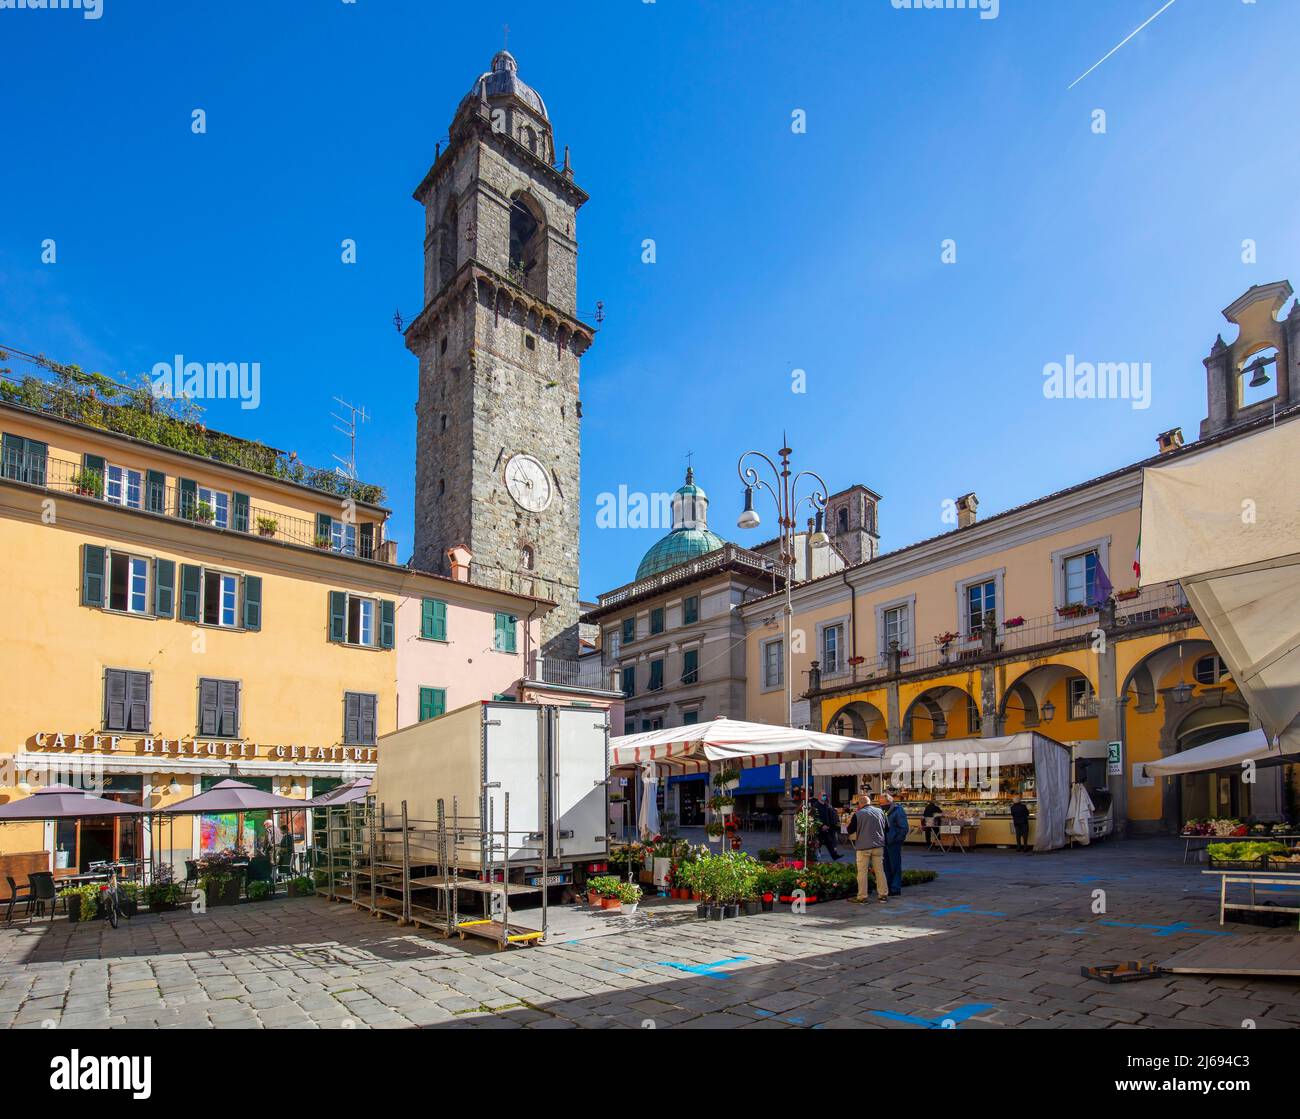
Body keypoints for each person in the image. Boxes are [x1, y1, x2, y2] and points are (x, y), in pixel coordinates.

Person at [846, 792, 889, 904]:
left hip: (863, 846)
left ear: (860, 805)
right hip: (878, 845)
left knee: (862, 872)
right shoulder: (880, 812)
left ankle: (862, 897)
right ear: (870, 803)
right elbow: (887, 828)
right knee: (880, 871)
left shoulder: (858, 814)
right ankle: (883, 895)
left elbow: (850, 830)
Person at [882, 793, 909, 896]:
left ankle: (895, 888)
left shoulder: (898, 810)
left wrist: (898, 839)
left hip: (893, 842)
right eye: (880, 803)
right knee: (886, 866)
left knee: (895, 865)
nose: (881, 805)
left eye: (883, 803)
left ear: (889, 802)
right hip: (883, 842)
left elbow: (904, 827)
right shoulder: (882, 811)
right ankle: (887, 887)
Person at [814, 791, 841, 861]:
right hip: (819, 827)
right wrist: (822, 825)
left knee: (828, 841)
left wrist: (828, 825)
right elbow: (816, 817)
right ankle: (816, 853)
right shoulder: (815, 805)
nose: (824, 796)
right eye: (823, 795)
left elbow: (828, 816)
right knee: (818, 841)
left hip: (826, 827)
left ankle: (834, 856)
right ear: (819, 796)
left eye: (825, 795)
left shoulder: (826, 805)